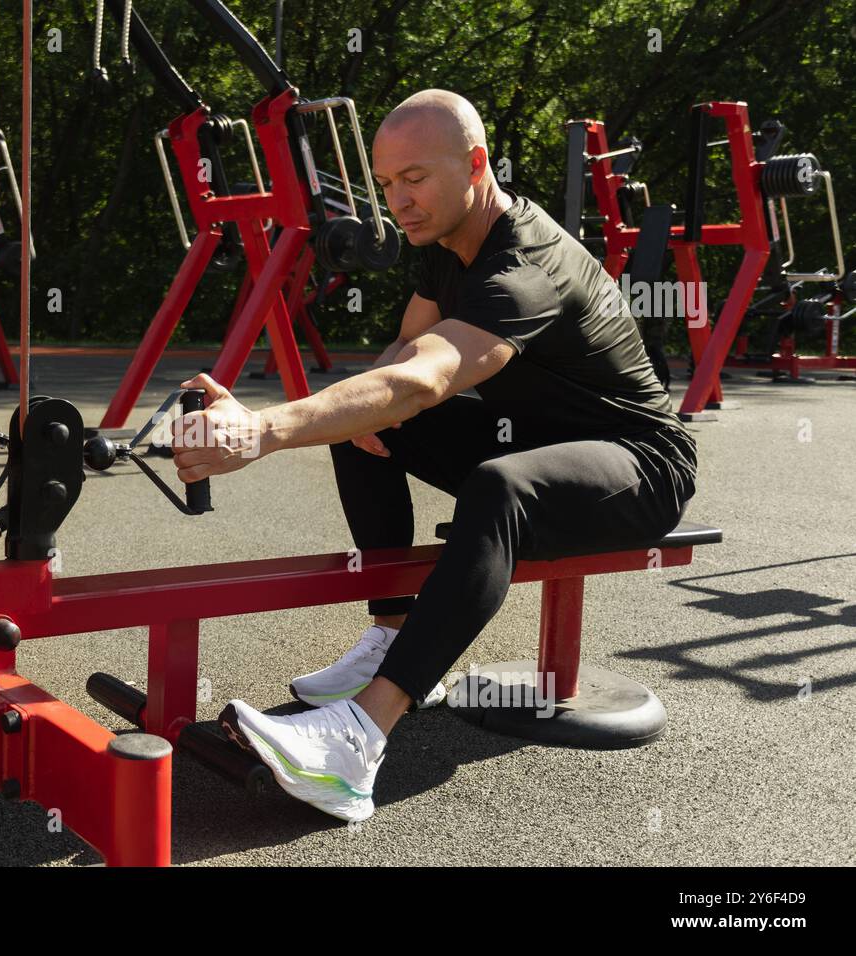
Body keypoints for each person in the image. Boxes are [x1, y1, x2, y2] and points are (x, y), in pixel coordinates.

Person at [170, 90, 698, 823]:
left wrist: (260, 431)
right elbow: (396, 366)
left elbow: (425, 378)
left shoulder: (525, 264)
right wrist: (333, 414)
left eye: (415, 178)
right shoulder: (447, 249)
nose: (398, 201)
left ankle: (359, 741)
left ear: (476, 164)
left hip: (639, 466)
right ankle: (390, 634)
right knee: (365, 419)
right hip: (543, 442)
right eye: (387, 184)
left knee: (495, 484)